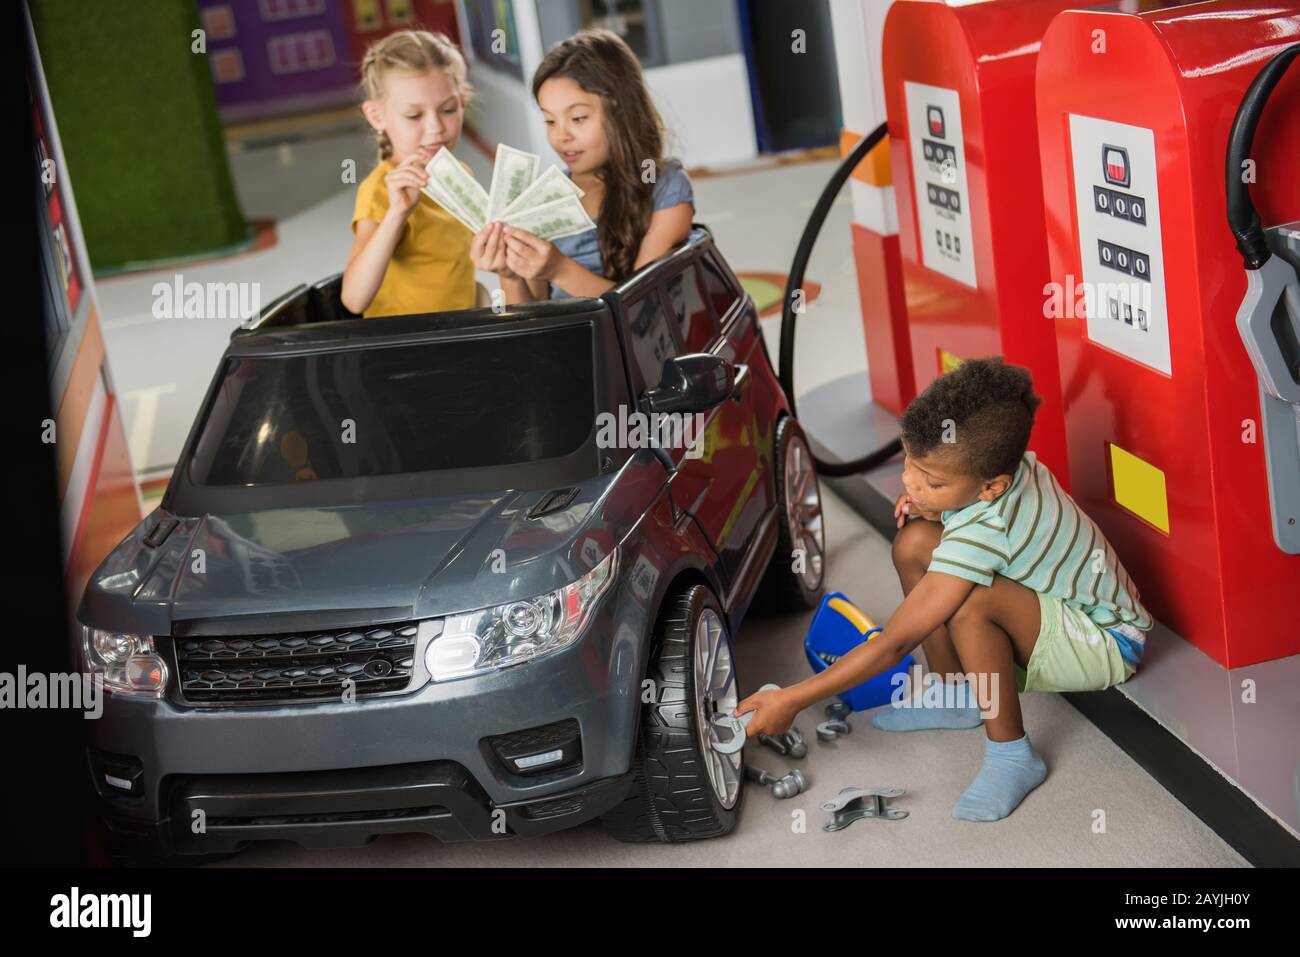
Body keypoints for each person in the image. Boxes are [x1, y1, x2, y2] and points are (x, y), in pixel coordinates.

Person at [738, 357, 1153, 821]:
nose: (909, 483)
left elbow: (896, 642)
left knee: (970, 602)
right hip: (1052, 602)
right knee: (915, 542)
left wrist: (791, 699)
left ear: (991, 487)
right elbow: (982, 521)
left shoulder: (986, 525)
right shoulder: (1002, 467)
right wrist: (939, 503)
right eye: (910, 464)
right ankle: (954, 693)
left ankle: (1013, 753)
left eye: (932, 480)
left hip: (1107, 640)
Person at [472, 29, 694, 302]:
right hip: (565, 342)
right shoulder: (541, 200)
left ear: (621, 113)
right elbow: (531, 322)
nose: (561, 136)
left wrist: (559, 269)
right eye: (550, 121)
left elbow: (642, 308)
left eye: (577, 118)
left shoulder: (665, 187)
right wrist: (509, 275)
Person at [343, 30, 477, 318]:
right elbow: (354, 299)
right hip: (406, 346)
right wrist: (397, 214)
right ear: (377, 117)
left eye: (448, 109)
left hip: (458, 333)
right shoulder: (380, 192)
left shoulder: (461, 174)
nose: (435, 128)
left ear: (463, 101)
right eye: (414, 116)